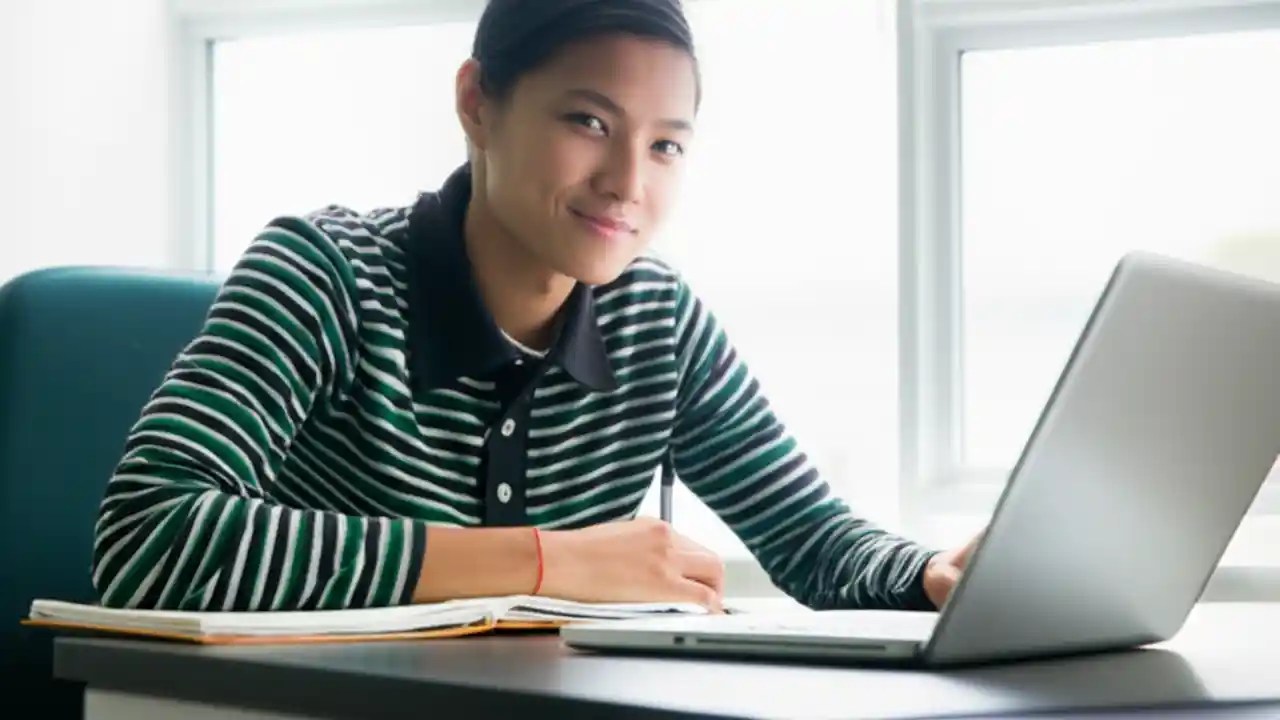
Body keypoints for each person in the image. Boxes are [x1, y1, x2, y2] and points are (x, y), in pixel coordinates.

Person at [90, 0, 979, 614]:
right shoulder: (323, 271)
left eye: (666, 144)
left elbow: (810, 539)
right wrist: (553, 562)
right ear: (477, 103)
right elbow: (147, 535)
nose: (628, 184)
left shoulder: (654, 319)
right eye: (588, 123)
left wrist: (934, 572)